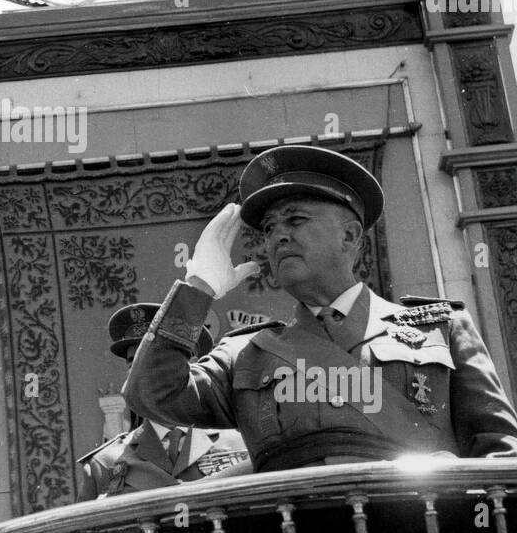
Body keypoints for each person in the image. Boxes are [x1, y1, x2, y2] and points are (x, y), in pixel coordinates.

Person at [124, 145, 517, 471]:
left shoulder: (441, 330)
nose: (278, 236)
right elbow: (151, 394)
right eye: (269, 229)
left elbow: (501, 454)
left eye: (294, 220)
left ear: (349, 237)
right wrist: (198, 288)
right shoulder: (245, 354)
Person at [77, 303, 251, 498]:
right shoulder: (103, 465)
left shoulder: (242, 442)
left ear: (192, 366)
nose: (141, 373)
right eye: (133, 364)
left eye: (155, 362)